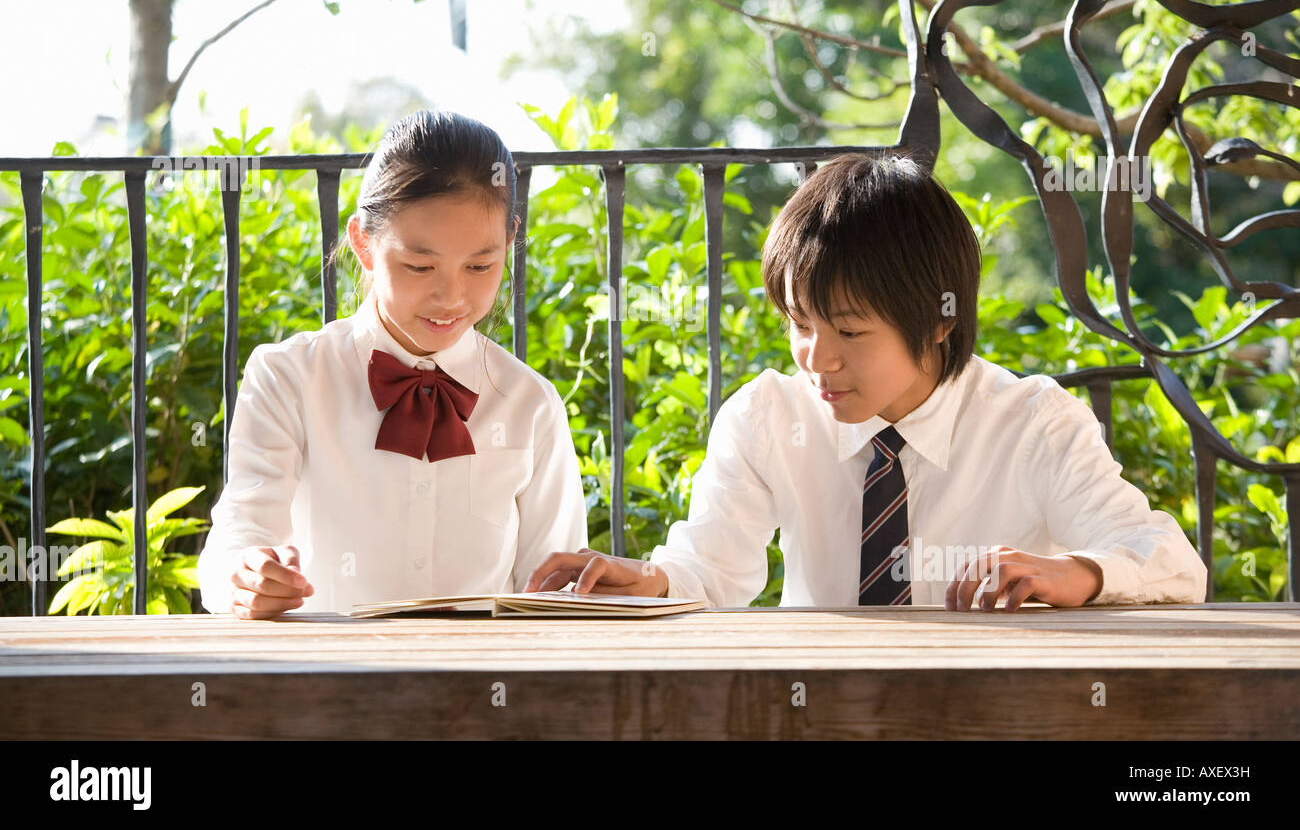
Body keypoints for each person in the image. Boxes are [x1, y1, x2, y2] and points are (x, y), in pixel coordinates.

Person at [525, 151, 1207, 610]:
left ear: (939, 321)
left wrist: (1081, 572)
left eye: (850, 332)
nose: (816, 358)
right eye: (799, 322)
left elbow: (1173, 565)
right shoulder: (767, 416)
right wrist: (644, 579)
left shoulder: (1033, 424)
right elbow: (711, 572)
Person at [197, 110, 587, 618]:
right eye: (419, 266)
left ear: (509, 243)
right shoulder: (289, 377)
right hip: (326, 682)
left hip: (482, 687)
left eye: (480, 266)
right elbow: (239, 533)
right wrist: (244, 576)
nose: (451, 296)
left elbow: (554, 588)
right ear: (363, 243)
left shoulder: (530, 404)